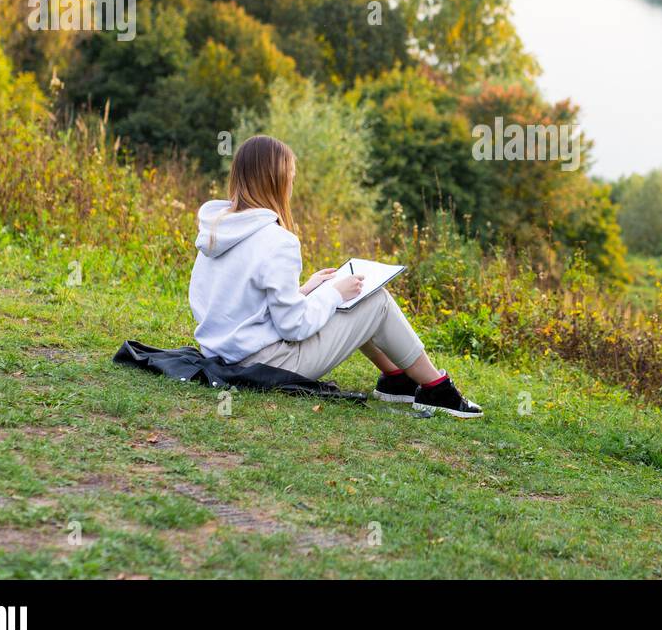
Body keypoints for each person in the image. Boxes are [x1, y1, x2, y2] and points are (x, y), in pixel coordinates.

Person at [188, 134, 482, 418]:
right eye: (291, 175)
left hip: (223, 355)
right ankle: (436, 387)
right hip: (268, 364)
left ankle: (397, 379)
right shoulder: (278, 241)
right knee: (375, 300)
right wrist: (333, 294)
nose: (292, 182)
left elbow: (235, 303)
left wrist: (306, 291)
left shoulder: (217, 229)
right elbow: (292, 326)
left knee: (353, 296)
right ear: (276, 181)